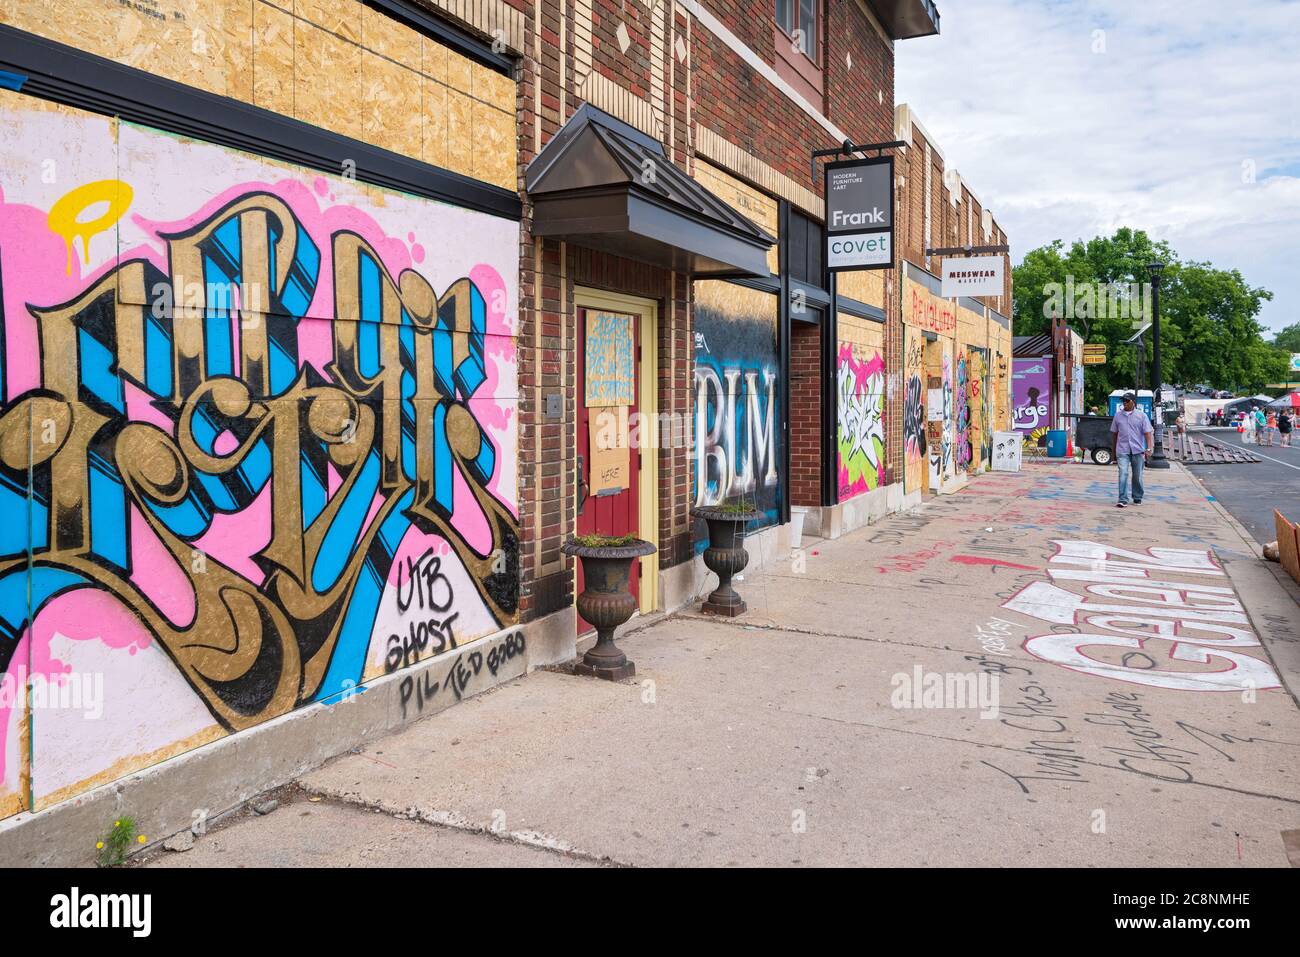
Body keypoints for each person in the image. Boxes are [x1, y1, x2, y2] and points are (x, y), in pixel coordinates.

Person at [1109, 392, 1154, 508]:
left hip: (1137, 450)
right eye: (1123, 400)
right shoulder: (1118, 416)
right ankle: (1122, 499)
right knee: (1123, 473)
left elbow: (1147, 433)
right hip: (1122, 450)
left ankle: (1137, 497)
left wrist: (1149, 448)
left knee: (1137, 475)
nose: (1124, 402)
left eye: (1127, 401)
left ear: (1133, 402)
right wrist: (1113, 452)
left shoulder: (1142, 416)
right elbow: (1114, 434)